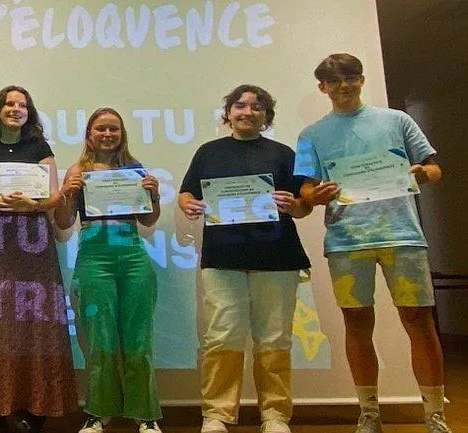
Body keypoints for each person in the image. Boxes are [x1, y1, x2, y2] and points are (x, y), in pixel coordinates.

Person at [294, 53, 451, 433]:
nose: (343, 85)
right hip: (347, 241)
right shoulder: (310, 135)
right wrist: (317, 195)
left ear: (362, 80)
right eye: (334, 81)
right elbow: (305, 188)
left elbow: (434, 168)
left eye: (350, 77)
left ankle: (434, 415)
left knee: (419, 322)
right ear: (323, 88)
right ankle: (369, 413)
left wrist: (420, 174)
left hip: (403, 236)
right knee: (357, 323)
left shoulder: (398, 120)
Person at [178, 85, 312, 433]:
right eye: (240, 105)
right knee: (222, 337)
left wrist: (293, 204)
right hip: (222, 258)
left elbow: (304, 206)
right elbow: (187, 192)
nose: (248, 112)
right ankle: (217, 414)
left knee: (275, 339)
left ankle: (275, 415)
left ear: (266, 116)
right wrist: (188, 204)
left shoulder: (283, 154)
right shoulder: (209, 152)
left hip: (278, 257)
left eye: (257, 107)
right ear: (229, 113)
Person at [0, 85, 78, 433]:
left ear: (30, 112)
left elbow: (53, 197)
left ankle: (37, 408)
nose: (16, 109)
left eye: (22, 104)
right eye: (9, 103)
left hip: (34, 244)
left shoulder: (39, 148)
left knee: (37, 324)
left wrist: (33, 204)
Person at [55, 107, 164, 433]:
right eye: (100, 129)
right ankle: (98, 413)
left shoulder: (134, 169)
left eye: (113, 129)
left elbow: (147, 220)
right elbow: (62, 222)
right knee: (99, 341)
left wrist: (154, 196)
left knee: (138, 339)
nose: (107, 134)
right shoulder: (77, 170)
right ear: (89, 134)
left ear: (121, 134)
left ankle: (146, 415)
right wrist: (68, 192)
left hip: (133, 259)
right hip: (94, 260)